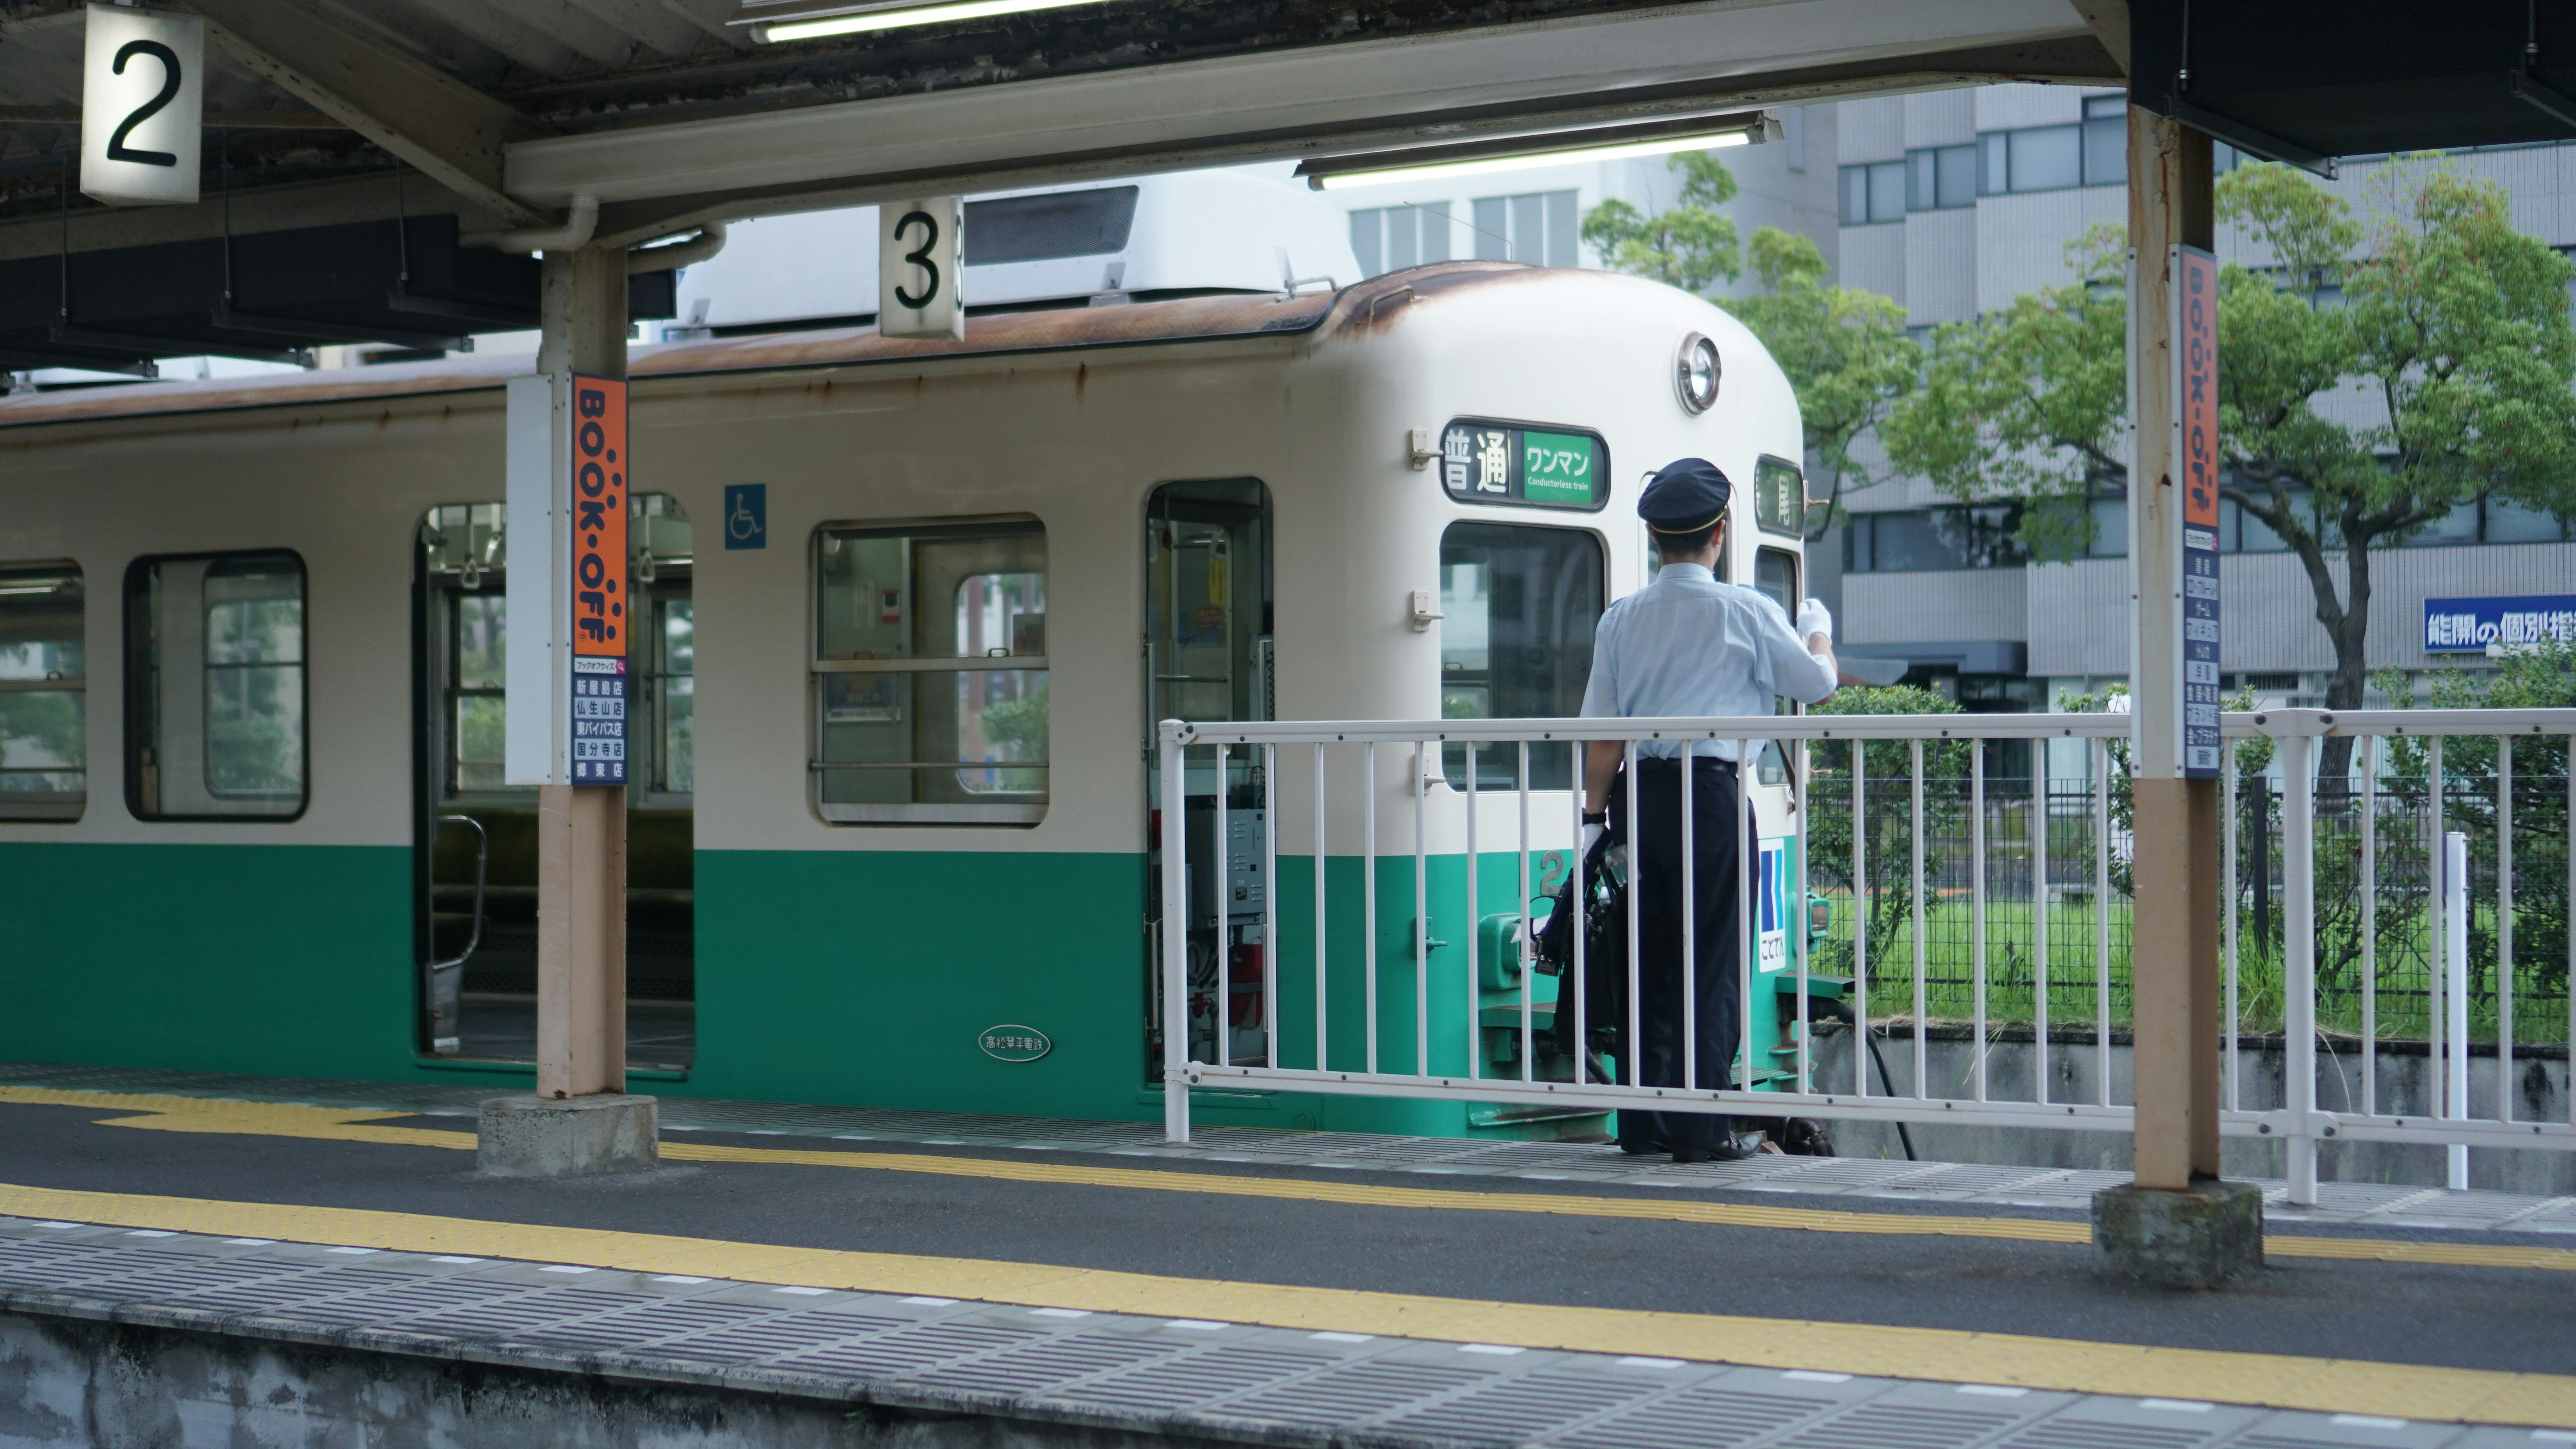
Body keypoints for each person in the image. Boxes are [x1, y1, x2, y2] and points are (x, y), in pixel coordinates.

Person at [1577, 458, 1838, 1161]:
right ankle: (1703, 1129)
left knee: (1647, 960)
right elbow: (1816, 683)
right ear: (1719, 533)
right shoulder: (1746, 610)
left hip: (1640, 799)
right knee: (1713, 960)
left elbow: (1602, 732)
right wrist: (1816, 626)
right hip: (1713, 798)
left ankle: (1643, 1122)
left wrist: (1593, 823)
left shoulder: (1621, 619)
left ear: (1656, 538)